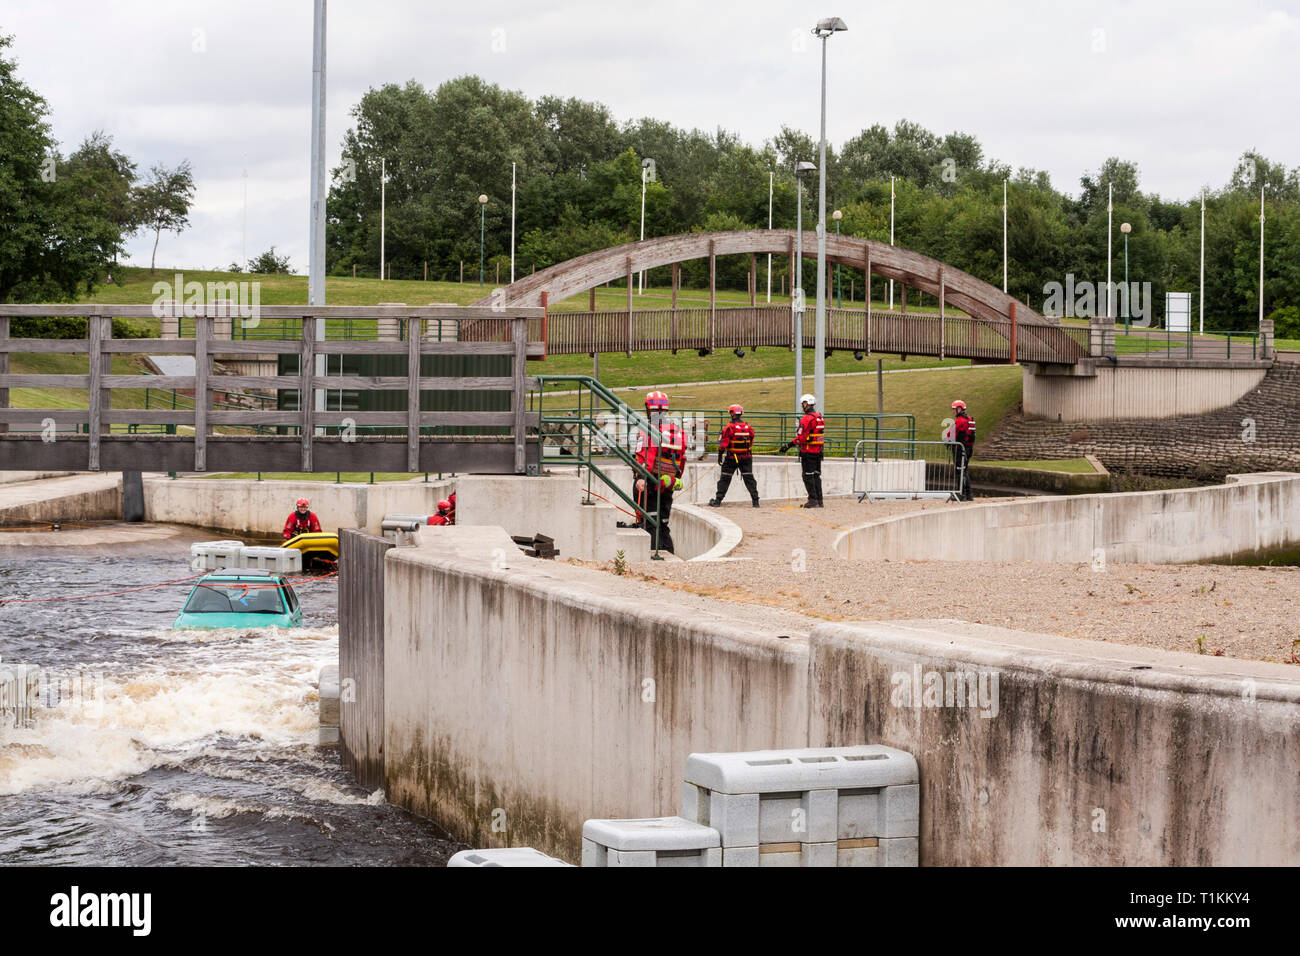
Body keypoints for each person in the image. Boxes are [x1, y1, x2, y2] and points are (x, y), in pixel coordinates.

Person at [633, 390, 686, 553]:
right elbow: (681, 460)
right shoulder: (678, 431)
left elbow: (644, 458)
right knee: (663, 524)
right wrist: (673, 479)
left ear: (648, 409)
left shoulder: (648, 430)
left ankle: (653, 556)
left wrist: (640, 478)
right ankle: (669, 553)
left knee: (650, 523)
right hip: (667, 485)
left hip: (650, 484)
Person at [709, 404, 759, 508]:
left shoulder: (729, 427)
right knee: (749, 479)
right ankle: (755, 501)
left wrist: (719, 456)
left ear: (732, 414)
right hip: (746, 458)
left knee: (725, 479)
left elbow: (724, 444)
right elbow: (751, 442)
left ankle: (718, 501)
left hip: (732, 458)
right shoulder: (748, 427)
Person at [779, 394, 825, 508]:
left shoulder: (806, 419)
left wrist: (788, 445)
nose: (802, 406)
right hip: (818, 451)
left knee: (807, 476)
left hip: (808, 452)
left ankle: (812, 500)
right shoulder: (819, 417)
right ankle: (819, 500)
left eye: (803, 404)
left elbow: (801, 438)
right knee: (816, 476)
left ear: (806, 404)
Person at [950, 400, 976, 501]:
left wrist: (947, 440)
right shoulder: (969, 419)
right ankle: (969, 494)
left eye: (954, 409)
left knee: (959, 471)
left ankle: (961, 494)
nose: (953, 411)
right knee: (964, 471)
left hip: (960, 449)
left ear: (959, 409)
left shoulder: (960, 420)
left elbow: (951, 434)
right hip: (968, 449)